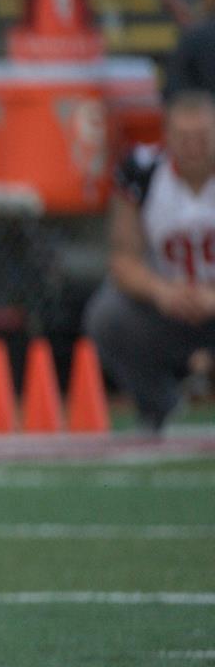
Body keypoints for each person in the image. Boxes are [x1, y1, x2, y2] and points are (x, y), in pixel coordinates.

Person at [85, 91, 215, 434]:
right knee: (108, 314)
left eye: (202, 137)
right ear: (168, 136)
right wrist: (163, 292)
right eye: (185, 138)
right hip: (168, 305)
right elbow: (123, 259)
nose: (194, 147)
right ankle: (158, 403)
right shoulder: (143, 173)